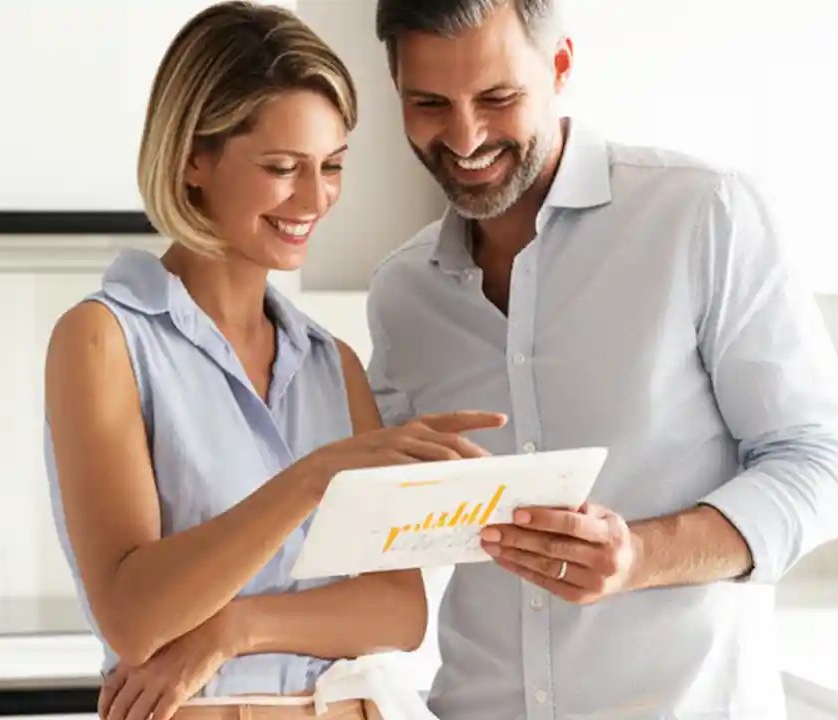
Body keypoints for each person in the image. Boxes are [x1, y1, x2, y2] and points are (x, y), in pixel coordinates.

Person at [366, 1, 838, 718]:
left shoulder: (702, 215)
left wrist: (638, 555)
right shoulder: (402, 293)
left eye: (498, 97)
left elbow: (824, 462)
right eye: (428, 104)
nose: (465, 136)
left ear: (560, 67)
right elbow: (383, 522)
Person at [43, 4, 505, 720]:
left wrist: (233, 629)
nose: (315, 198)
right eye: (282, 168)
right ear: (193, 159)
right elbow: (134, 615)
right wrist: (312, 478)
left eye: (332, 166)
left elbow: (398, 610)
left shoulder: (332, 364)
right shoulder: (106, 341)